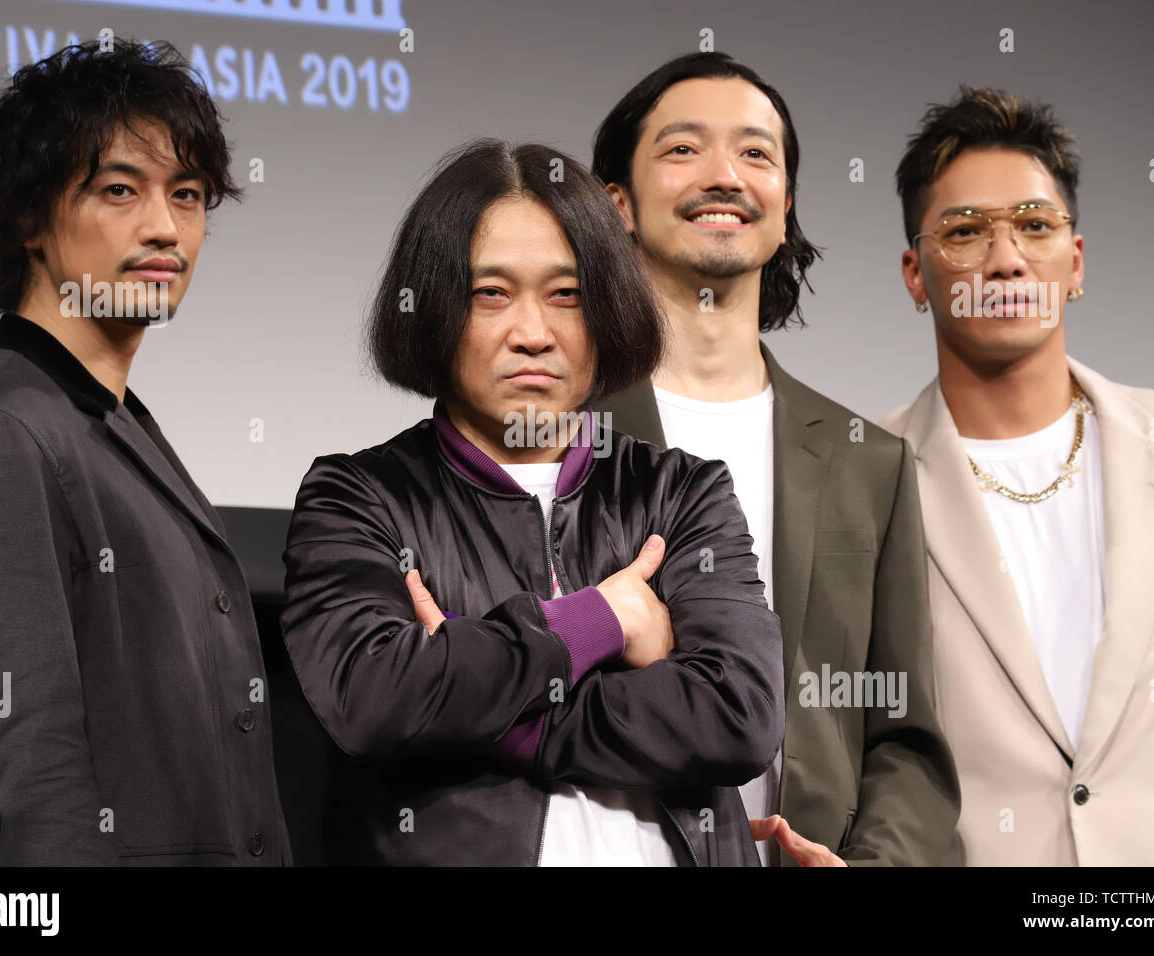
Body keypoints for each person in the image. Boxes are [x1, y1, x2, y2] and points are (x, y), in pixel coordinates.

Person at [281, 139, 783, 865]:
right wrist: (602, 619)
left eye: (567, 295)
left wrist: (497, 704)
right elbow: (375, 697)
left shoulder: (680, 491)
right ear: (434, 306)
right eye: (491, 294)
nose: (533, 334)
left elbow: (739, 716)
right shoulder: (358, 497)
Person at [0, 40, 291, 865]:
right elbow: (30, 780)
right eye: (120, 190)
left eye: (187, 195)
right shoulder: (0, 434)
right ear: (28, 217)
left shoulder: (107, 424)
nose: (164, 228)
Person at [593, 52, 959, 866]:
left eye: (756, 154)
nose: (725, 175)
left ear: (785, 207)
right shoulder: (555, 431)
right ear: (616, 203)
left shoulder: (871, 462)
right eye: (683, 149)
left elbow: (907, 743)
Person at [883, 86, 1154, 865]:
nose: (1005, 259)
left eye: (1035, 225)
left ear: (1076, 261)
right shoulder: (862, 479)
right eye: (964, 231)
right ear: (915, 273)